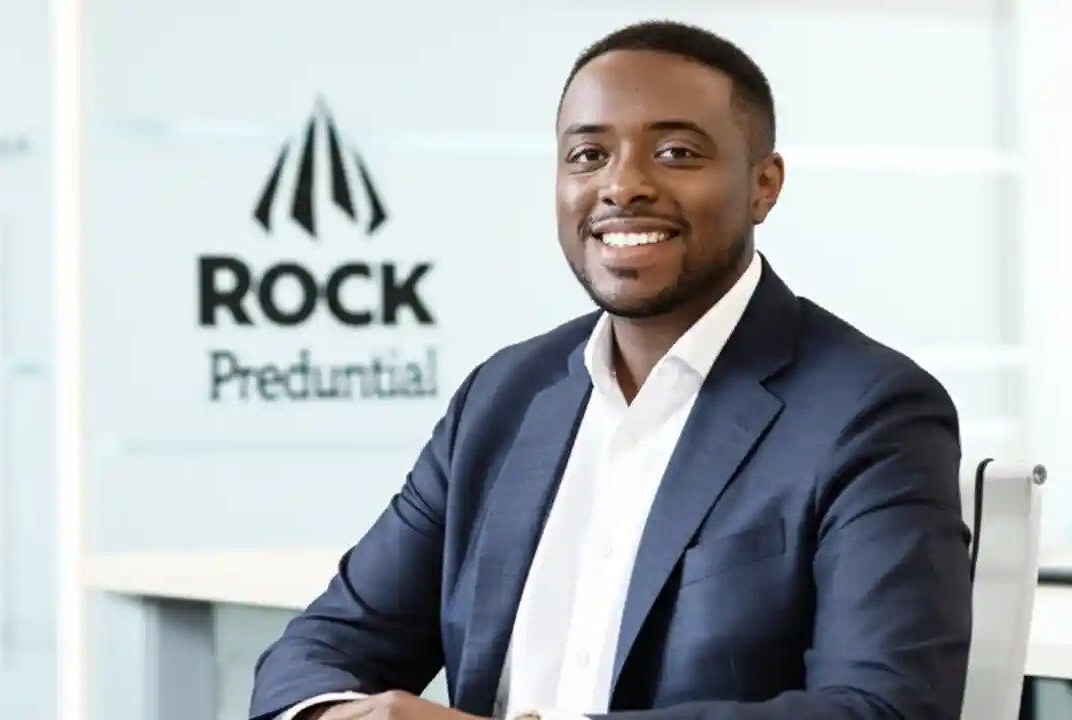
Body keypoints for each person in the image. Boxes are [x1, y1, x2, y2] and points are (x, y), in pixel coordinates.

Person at [248, 19, 972, 720]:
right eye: (587, 156)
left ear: (763, 185)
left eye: (678, 153)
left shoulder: (870, 411)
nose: (622, 186)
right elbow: (324, 646)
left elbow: (885, 707)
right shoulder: (504, 396)